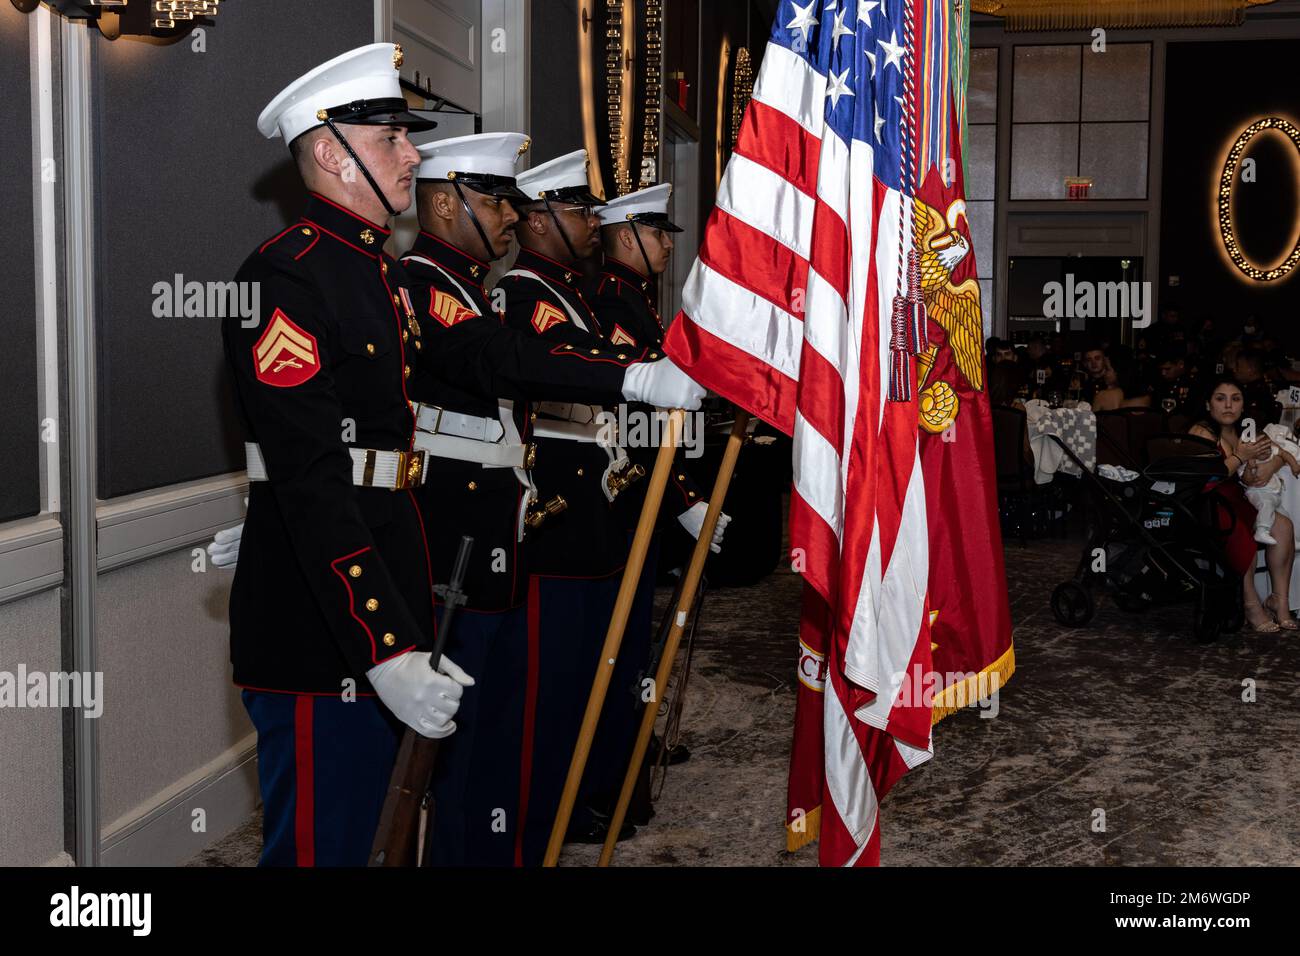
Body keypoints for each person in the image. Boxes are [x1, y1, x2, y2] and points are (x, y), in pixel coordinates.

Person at [396, 134, 706, 865]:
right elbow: (509, 360)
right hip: (460, 535)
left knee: (510, 722)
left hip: (509, 523)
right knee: (483, 735)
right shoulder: (428, 282)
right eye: (498, 200)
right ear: (446, 204)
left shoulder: (472, 284)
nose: (512, 213)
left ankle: (520, 842)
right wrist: (633, 378)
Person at [222, 43, 474, 866]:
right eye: (391, 139)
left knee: (384, 833)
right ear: (331, 153)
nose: (414, 155)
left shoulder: (380, 273)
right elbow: (310, 470)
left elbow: (482, 359)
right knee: (326, 843)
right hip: (321, 615)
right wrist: (386, 648)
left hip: (386, 576)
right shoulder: (285, 278)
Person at [1189, 377, 1297, 633]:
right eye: (1220, 398)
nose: (1228, 405)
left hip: (1239, 496)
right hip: (1209, 499)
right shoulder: (1201, 431)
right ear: (1208, 404)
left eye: (1235, 399)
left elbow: (1277, 450)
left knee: (1283, 526)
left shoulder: (1244, 431)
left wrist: (1274, 462)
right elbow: (1210, 475)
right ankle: (1250, 603)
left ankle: (1279, 601)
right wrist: (1240, 457)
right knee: (1242, 526)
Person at [1091, 347, 1151, 411]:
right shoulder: (1145, 397)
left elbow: (1089, 420)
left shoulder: (1102, 396)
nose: (1103, 373)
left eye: (1107, 369)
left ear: (1119, 371)